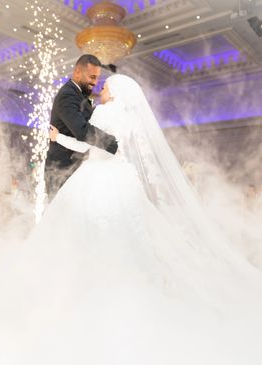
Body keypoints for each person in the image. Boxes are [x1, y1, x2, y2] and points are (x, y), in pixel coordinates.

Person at [17, 74, 262, 364]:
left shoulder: (105, 111)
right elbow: (114, 147)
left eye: (106, 87)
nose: (101, 90)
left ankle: (83, 290)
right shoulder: (129, 118)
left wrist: (59, 138)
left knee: (84, 227)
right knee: (127, 232)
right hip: (121, 177)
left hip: (97, 176)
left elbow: (89, 145)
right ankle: (127, 288)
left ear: (116, 93)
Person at [44, 54, 118, 200]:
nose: (95, 82)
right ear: (77, 72)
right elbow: (82, 130)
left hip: (76, 167)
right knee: (60, 217)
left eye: (97, 78)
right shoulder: (68, 95)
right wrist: (114, 145)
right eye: (92, 77)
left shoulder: (80, 95)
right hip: (61, 169)